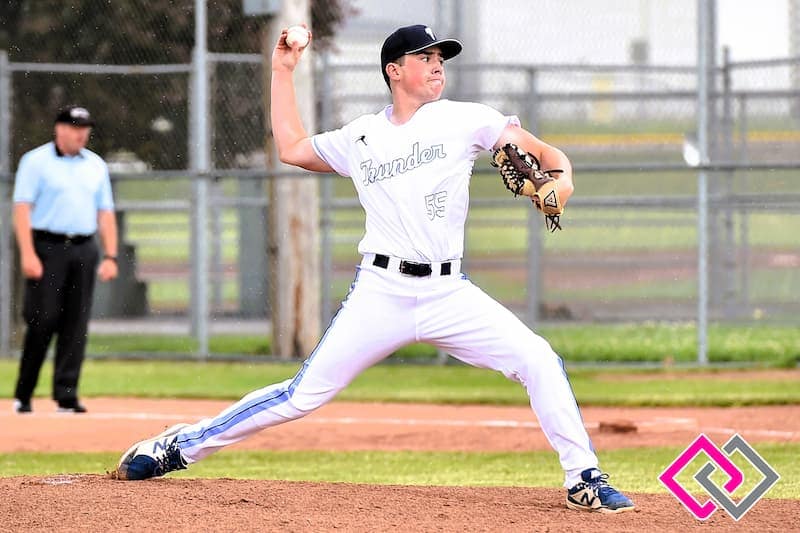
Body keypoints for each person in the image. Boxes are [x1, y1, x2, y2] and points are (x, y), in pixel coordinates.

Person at [115, 24, 634, 513]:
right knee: (301, 396)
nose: (436, 66)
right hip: (380, 291)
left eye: (440, 58)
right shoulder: (360, 137)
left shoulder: (466, 119)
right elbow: (293, 147)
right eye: (424, 58)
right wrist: (281, 70)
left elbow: (546, 155)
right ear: (393, 70)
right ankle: (177, 447)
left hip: (449, 292)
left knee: (539, 359)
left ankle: (583, 477)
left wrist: (558, 185)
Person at [12, 105, 118, 414]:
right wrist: (28, 253)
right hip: (47, 247)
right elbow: (22, 210)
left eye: (85, 127)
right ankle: (24, 394)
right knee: (42, 319)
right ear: (59, 129)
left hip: (84, 247)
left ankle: (66, 394)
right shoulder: (35, 162)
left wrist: (110, 255)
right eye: (75, 126)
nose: (81, 133)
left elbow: (105, 213)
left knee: (76, 321)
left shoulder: (95, 165)